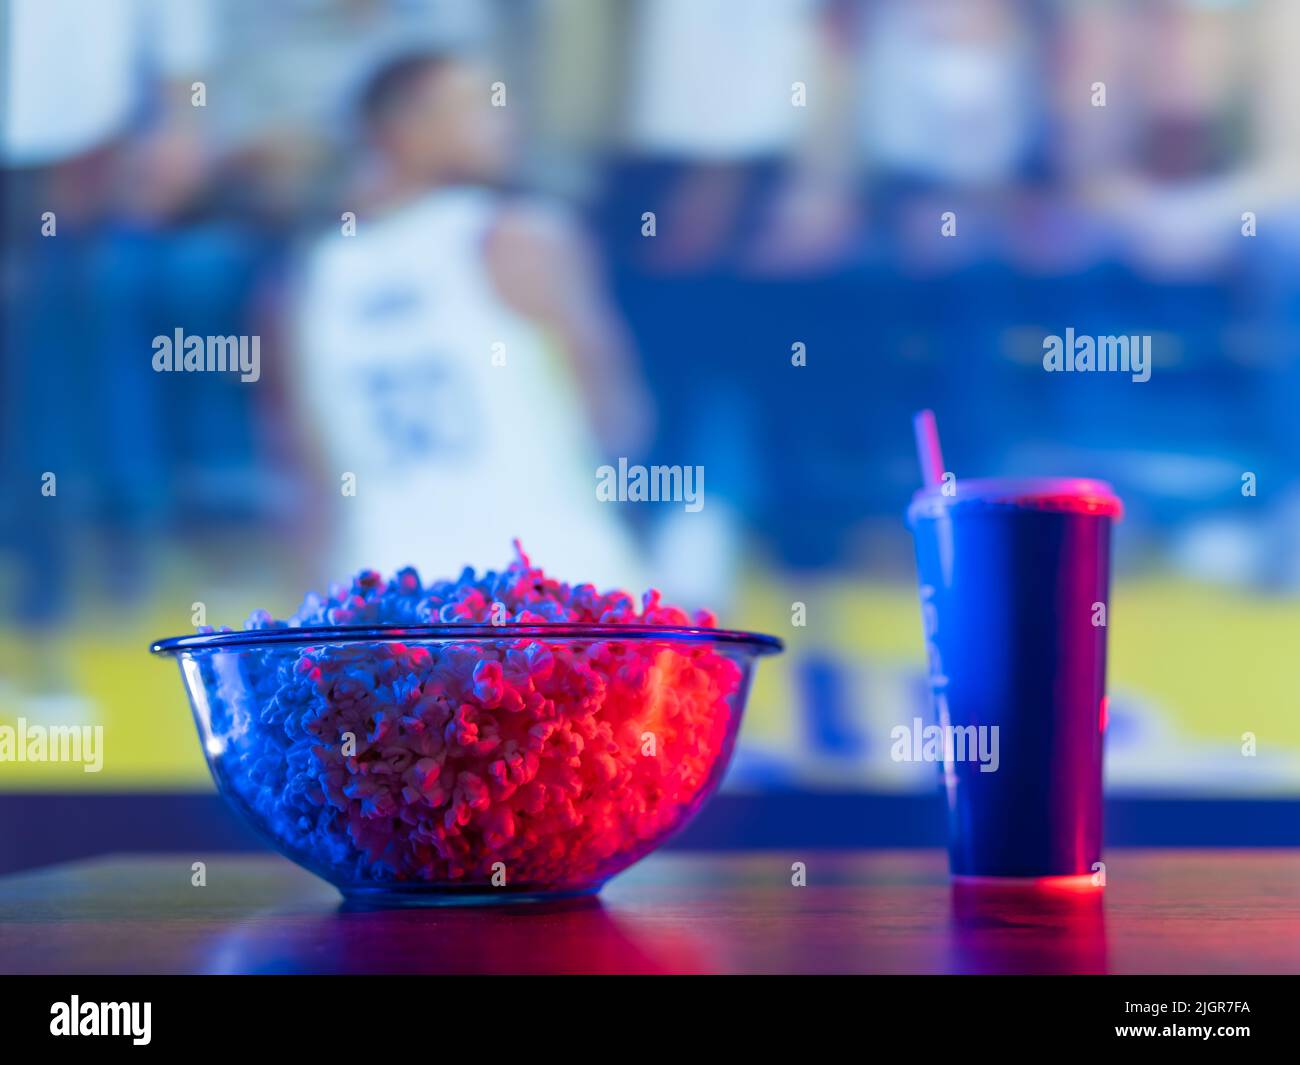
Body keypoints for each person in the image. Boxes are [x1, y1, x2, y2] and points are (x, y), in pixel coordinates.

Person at [294, 51, 651, 587]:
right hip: (552, 581)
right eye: (475, 106)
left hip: (390, 593)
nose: (503, 122)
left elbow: (306, 468)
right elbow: (619, 417)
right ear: (398, 130)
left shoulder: (310, 276)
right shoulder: (519, 235)